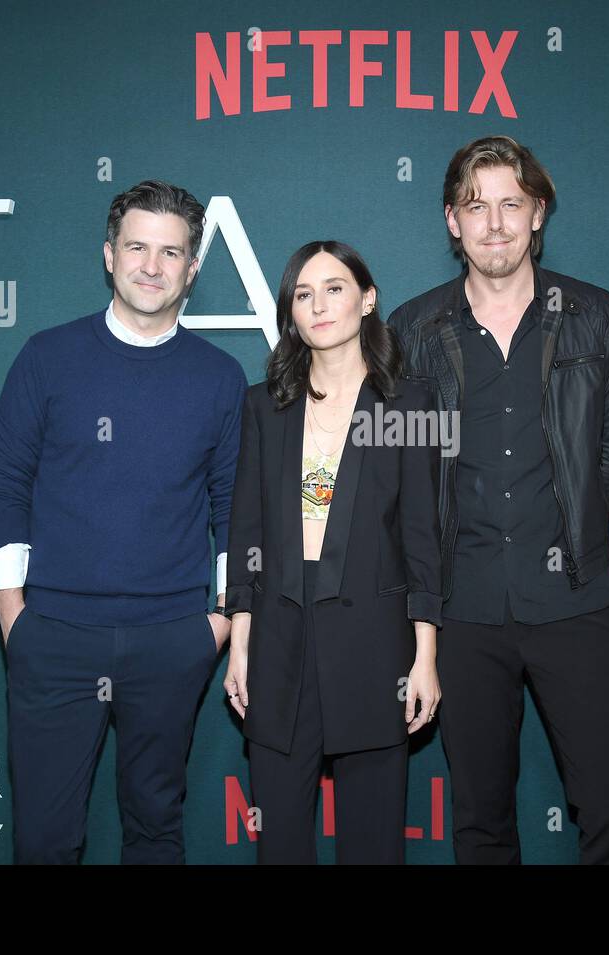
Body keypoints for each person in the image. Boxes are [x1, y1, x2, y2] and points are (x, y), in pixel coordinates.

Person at [388, 135, 609, 864]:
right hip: (463, 610)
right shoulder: (413, 331)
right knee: (480, 821)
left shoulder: (596, 316)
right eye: (476, 206)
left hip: (577, 600)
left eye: (511, 204)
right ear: (451, 219)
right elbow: (401, 475)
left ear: (538, 213)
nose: (494, 223)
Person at [0, 179, 246, 864]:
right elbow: (5, 486)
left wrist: (215, 625)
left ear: (192, 268)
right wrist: (16, 617)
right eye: (137, 247)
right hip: (56, 636)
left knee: (155, 830)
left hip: (171, 640)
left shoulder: (219, 378)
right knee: (44, 838)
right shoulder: (46, 357)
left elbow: (235, 507)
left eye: (170, 251)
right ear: (109, 254)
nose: (151, 266)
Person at [223, 240, 443, 864]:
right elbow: (246, 534)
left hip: (377, 643)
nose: (319, 305)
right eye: (303, 293)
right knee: (282, 845)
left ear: (368, 299)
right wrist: (240, 648)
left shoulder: (408, 403)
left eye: (335, 288)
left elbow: (423, 536)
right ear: (290, 312)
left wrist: (426, 656)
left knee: (373, 845)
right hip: (277, 642)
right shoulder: (263, 406)